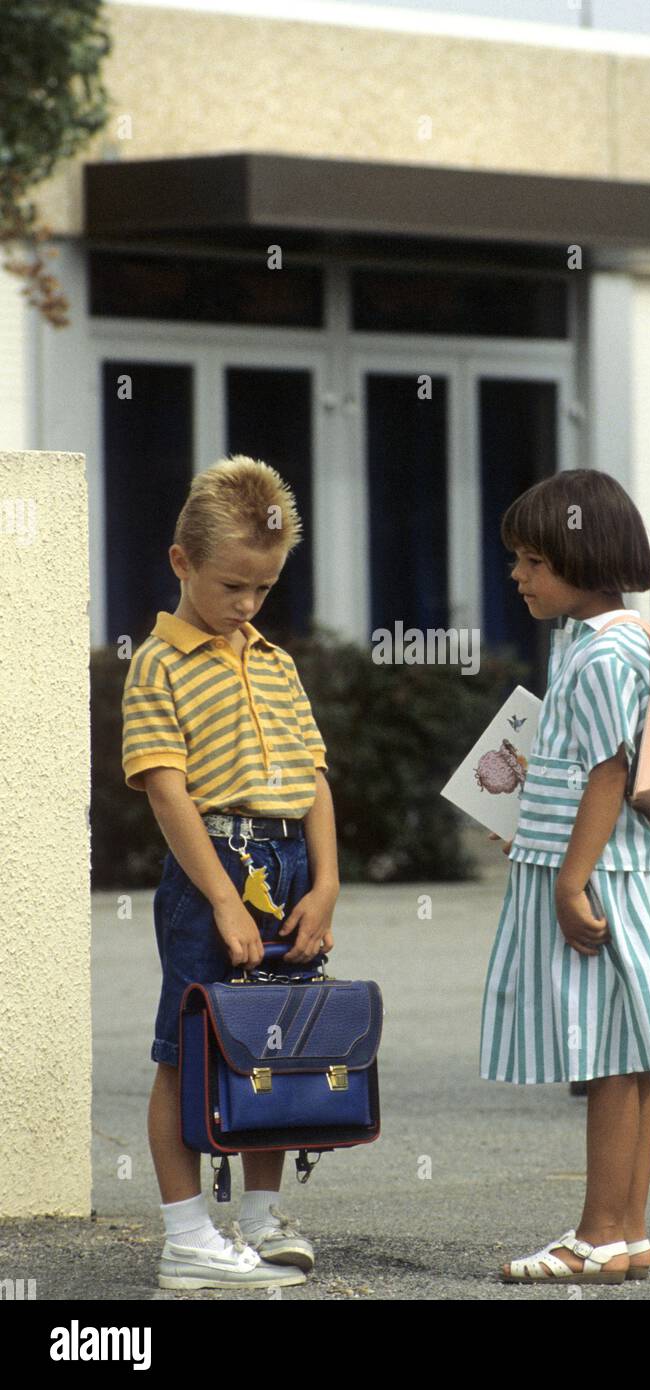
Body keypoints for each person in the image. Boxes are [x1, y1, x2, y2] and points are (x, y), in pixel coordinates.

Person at [121, 455, 340, 1292]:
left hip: (288, 865)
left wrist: (324, 885)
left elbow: (314, 778)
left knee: (273, 1046)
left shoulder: (275, 663)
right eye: (230, 588)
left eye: (263, 589)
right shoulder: (159, 663)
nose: (246, 606)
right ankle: (187, 1238)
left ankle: (257, 1219)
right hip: (215, 866)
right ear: (181, 563)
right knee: (186, 1051)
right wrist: (221, 898)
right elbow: (168, 792)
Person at [480, 468, 650, 1284]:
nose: (517, 574)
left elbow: (606, 770)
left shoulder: (603, 653)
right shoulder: (605, 638)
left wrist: (569, 881)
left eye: (532, 560)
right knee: (628, 1054)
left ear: (582, 553)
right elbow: (567, 764)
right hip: (616, 864)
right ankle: (625, 1234)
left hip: (598, 871)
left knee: (608, 1059)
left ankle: (596, 1233)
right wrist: (529, 827)